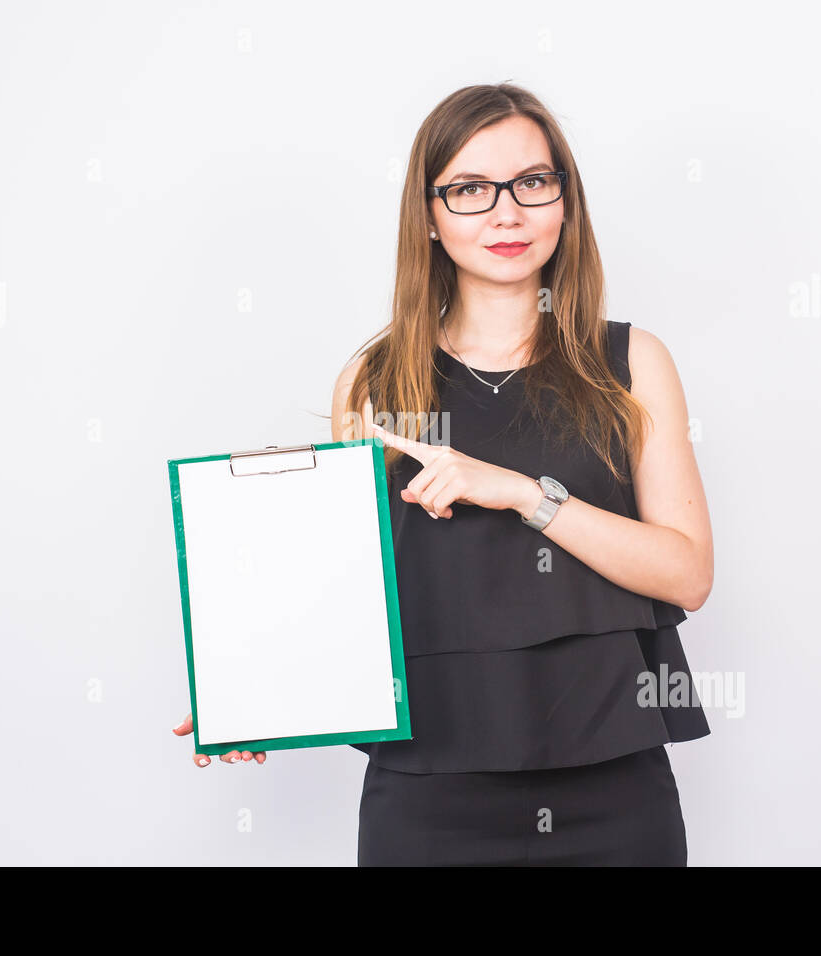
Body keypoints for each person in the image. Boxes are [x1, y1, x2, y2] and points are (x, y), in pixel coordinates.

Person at [177, 82, 714, 867]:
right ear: (428, 216)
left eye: (533, 182)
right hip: (429, 799)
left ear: (565, 201)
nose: (507, 213)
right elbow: (345, 597)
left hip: (613, 796)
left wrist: (524, 494)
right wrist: (248, 689)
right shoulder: (374, 381)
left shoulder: (630, 362)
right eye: (469, 189)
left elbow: (687, 575)